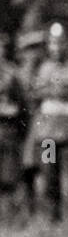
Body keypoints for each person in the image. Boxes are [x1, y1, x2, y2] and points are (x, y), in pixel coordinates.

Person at [26, 22, 68, 224]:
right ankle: (52, 219)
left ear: (67, 43)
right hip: (48, 136)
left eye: (61, 42)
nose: (57, 47)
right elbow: (33, 101)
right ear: (49, 45)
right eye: (53, 43)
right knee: (49, 178)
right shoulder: (40, 69)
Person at [16, 29, 46, 216]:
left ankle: (46, 209)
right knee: (25, 171)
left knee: (49, 167)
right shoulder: (17, 75)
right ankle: (28, 210)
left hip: (48, 132)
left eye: (38, 49)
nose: (34, 54)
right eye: (30, 49)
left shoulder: (49, 71)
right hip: (25, 131)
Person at [0, 34, 25, 218]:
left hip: (7, 129)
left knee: (8, 175)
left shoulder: (12, 73)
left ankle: (8, 216)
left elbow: (21, 103)